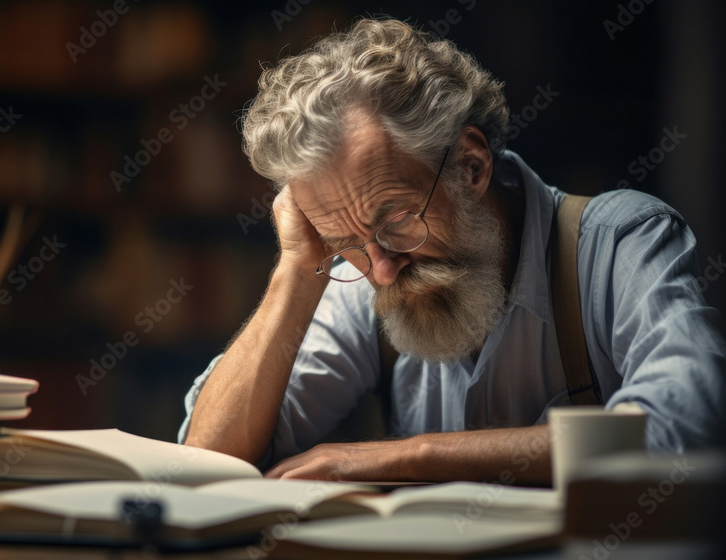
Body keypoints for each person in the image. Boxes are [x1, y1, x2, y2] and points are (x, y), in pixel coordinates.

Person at [178, 17, 726, 484]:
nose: (384, 270)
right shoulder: (364, 276)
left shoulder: (619, 242)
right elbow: (208, 462)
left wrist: (417, 455)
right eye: (346, 242)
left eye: (396, 217)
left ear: (472, 165)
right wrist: (298, 269)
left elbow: (689, 422)